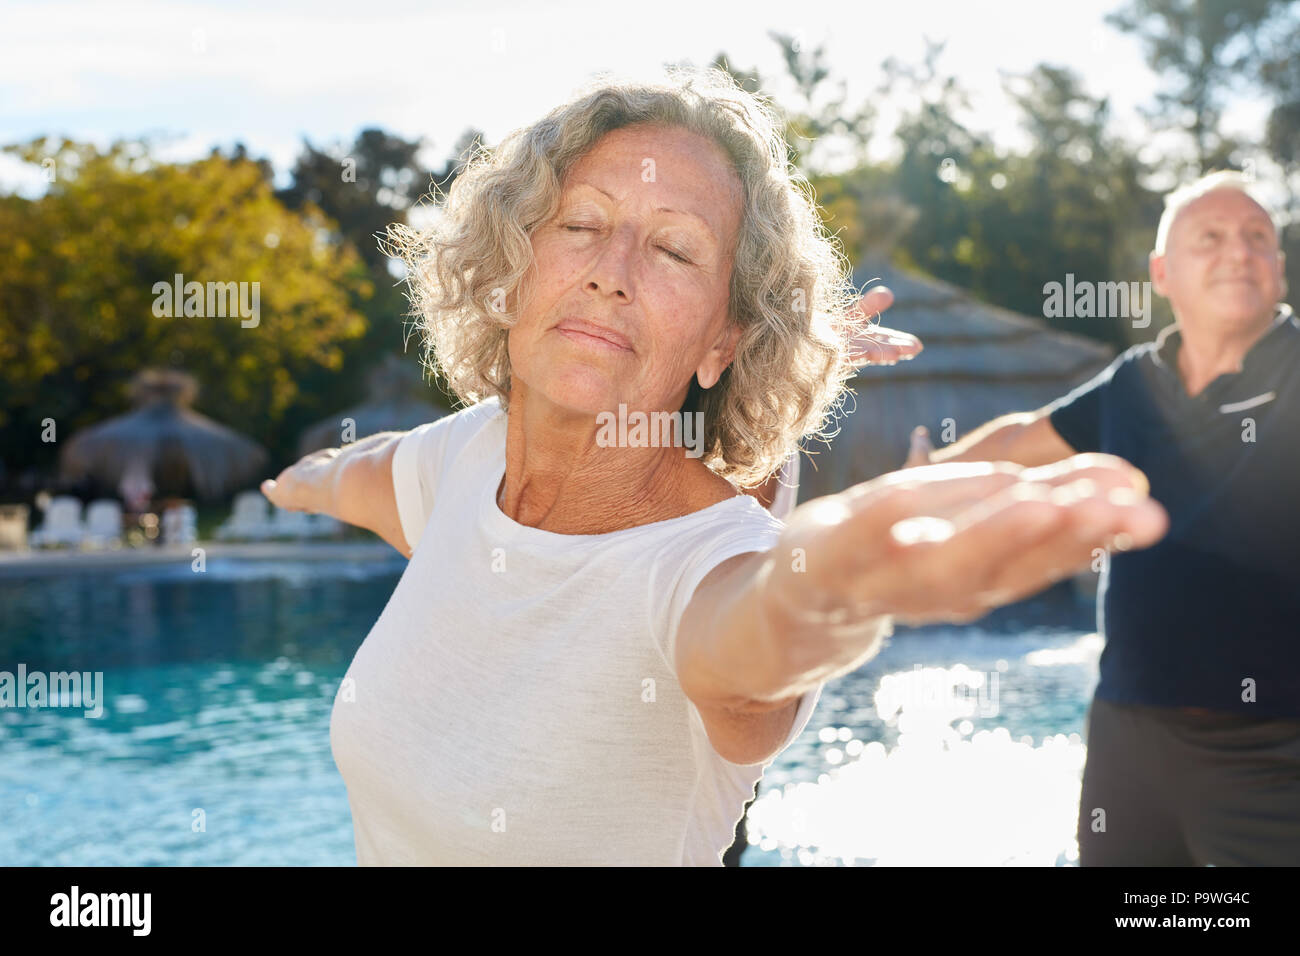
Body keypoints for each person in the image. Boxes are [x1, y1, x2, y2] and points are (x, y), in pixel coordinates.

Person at [261, 67, 1164, 866]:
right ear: (509, 269)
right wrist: (293, 482)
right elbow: (353, 472)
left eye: (674, 249)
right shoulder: (461, 455)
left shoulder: (704, 563)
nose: (612, 271)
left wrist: (836, 574)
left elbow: (756, 627)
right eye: (581, 222)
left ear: (723, 339)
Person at [906, 170, 1300, 866]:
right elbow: (1022, 440)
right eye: (1210, 237)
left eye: (1258, 239)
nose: (1238, 252)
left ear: (1280, 268)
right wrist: (923, 481)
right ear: (1162, 272)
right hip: (1129, 735)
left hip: (1275, 751)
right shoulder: (1134, 383)